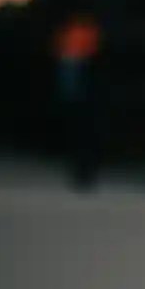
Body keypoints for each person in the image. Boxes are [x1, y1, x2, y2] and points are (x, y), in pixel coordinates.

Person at [53, 15, 103, 189]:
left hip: (81, 88)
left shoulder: (79, 35)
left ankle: (83, 174)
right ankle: (82, 174)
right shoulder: (78, 36)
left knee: (82, 135)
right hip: (79, 88)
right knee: (81, 135)